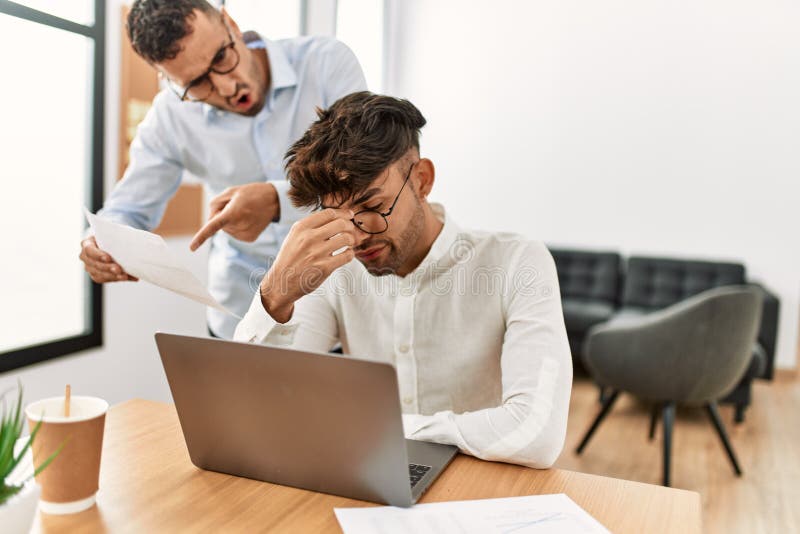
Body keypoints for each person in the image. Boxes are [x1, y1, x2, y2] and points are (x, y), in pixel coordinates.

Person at [233, 92, 573, 468]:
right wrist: (275, 294)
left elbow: (536, 434)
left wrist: (380, 428)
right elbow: (263, 409)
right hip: (373, 482)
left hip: (486, 487)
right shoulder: (337, 270)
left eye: (373, 207)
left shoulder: (517, 262)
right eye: (337, 216)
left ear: (422, 180)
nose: (357, 236)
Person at [78, 0, 366, 338]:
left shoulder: (325, 62)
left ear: (230, 23)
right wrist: (101, 242)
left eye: (221, 57)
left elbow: (365, 174)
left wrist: (278, 201)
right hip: (240, 314)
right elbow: (126, 210)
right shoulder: (171, 117)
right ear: (168, 80)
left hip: (339, 305)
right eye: (198, 83)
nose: (228, 88)